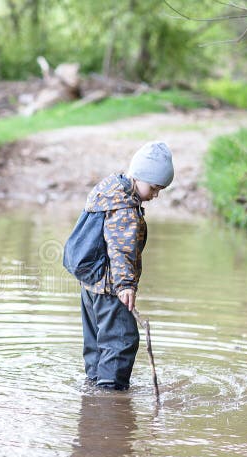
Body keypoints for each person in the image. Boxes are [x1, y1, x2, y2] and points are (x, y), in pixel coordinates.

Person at [80, 140, 174, 390]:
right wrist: (125, 286)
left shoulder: (109, 188)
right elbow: (121, 249)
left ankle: (93, 386)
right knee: (122, 339)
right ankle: (110, 397)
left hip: (90, 281)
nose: (155, 195)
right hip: (110, 285)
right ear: (140, 176)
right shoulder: (125, 209)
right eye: (154, 188)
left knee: (97, 340)